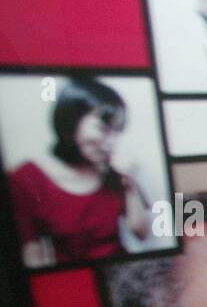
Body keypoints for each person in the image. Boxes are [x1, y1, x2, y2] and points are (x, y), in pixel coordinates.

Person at [9, 77, 152, 267]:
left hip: (122, 272)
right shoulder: (26, 178)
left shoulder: (114, 170)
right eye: (103, 128)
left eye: (117, 132)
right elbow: (32, 253)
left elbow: (141, 233)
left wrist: (129, 183)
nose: (111, 142)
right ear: (70, 121)